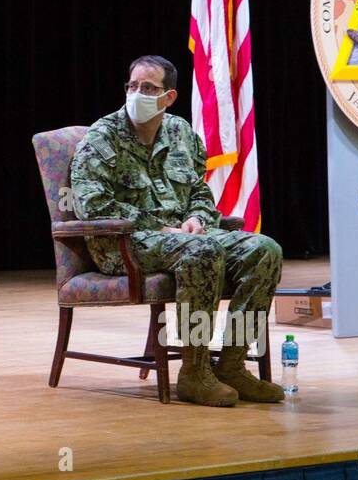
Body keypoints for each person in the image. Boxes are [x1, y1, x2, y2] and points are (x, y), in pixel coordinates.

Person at [69, 54, 285, 407]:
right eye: (132, 86)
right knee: (202, 252)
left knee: (264, 249)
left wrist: (197, 220)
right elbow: (90, 205)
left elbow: (199, 192)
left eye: (148, 88)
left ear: (169, 97)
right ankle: (195, 372)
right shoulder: (103, 136)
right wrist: (162, 226)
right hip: (123, 242)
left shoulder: (180, 132)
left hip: (180, 238)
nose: (137, 93)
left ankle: (231, 365)